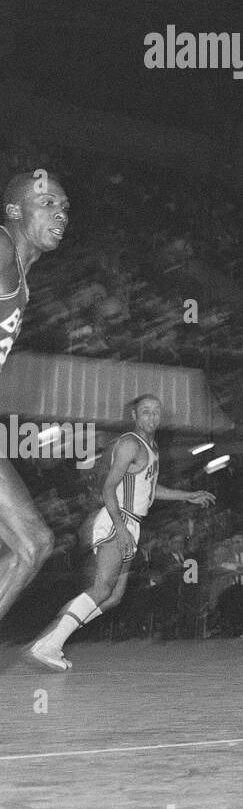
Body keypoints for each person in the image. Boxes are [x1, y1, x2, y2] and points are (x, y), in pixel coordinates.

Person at [29, 395, 215, 669]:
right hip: (118, 519)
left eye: (156, 411)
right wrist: (120, 527)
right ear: (134, 415)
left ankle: (50, 639)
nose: (152, 416)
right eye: (146, 411)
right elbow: (107, 487)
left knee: (113, 597)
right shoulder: (130, 444)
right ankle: (50, 644)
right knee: (102, 588)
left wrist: (188, 495)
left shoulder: (152, 448)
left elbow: (151, 490)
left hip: (132, 522)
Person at [0, 170, 69, 630]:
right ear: (14, 211)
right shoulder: (3, 247)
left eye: (65, 207)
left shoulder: (20, 273)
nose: (60, 214)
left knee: (33, 544)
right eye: (47, 203)